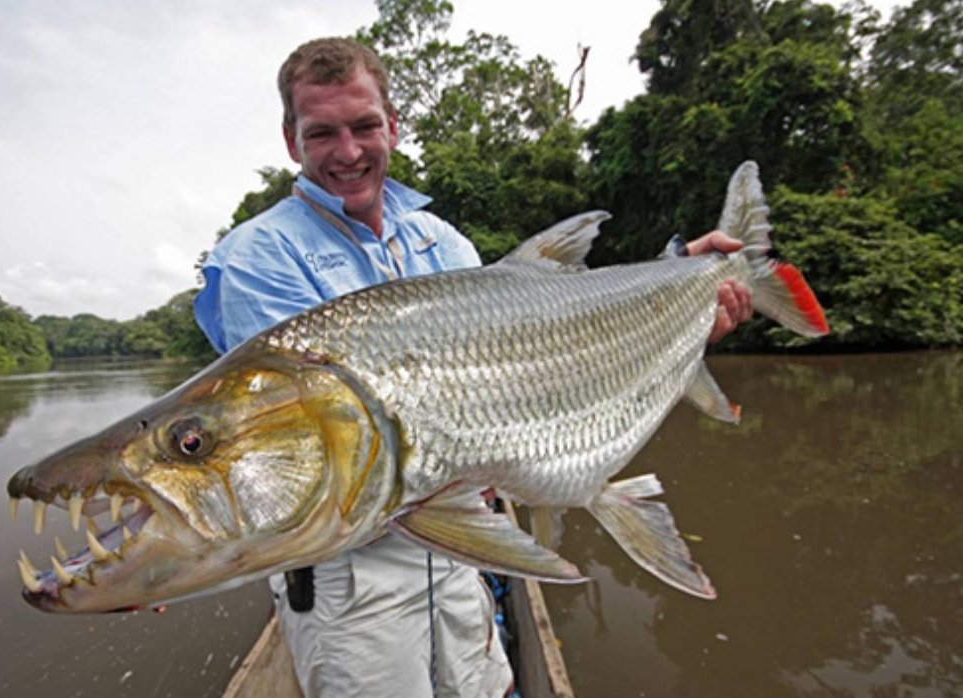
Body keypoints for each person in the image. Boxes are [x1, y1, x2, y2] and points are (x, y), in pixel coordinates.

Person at [194, 37, 751, 698]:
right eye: (322, 133)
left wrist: (675, 291)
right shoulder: (260, 256)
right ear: (292, 140)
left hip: (462, 554)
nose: (348, 152)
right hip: (351, 584)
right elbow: (284, 455)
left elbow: (537, 343)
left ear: (393, 126)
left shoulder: (444, 241)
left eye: (365, 126)